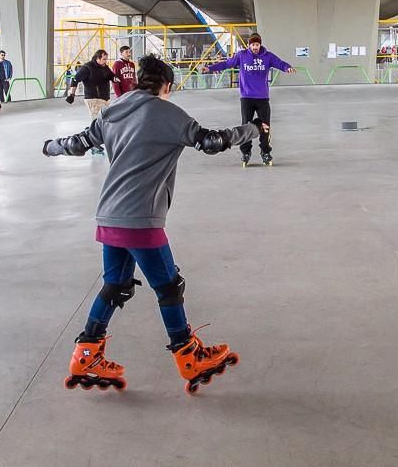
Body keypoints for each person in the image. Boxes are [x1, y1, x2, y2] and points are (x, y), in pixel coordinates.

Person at [42, 55, 258, 393]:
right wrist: (251, 130)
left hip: (108, 215)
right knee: (169, 287)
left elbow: (77, 144)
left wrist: (50, 146)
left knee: (115, 286)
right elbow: (212, 142)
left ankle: (86, 354)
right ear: (166, 86)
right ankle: (189, 356)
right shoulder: (167, 113)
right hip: (141, 219)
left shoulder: (112, 111)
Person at [202, 33, 295, 166]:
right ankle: (246, 152)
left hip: (262, 97)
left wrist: (287, 67)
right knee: (246, 125)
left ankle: (266, 152)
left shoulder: (267, 56)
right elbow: (227, 64)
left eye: (257, 44)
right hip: (246, 98)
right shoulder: (242, 55)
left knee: (265, 126)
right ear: (249, 45)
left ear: (260, 44)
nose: (255, 47)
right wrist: (210, 68)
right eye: (253, 45)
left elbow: (279, 63)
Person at [65, 50, 116, 155]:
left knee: (104, 121)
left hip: (104, 98)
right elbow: (75, 80)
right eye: (104, 59)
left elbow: (111, 75)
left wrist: (115, 78)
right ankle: (93, 145)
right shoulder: (87, 68)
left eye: (106, 59)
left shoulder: (105, 67)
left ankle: (94, 141)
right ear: (97, 58)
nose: (106, 61)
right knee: (98, 122)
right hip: (93, 98)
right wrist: (72, 94)